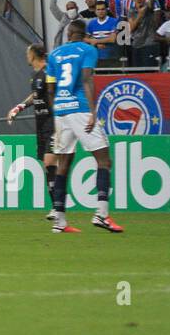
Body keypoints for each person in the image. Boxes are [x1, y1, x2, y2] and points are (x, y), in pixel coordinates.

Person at [47, 21, 123, 234]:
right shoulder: (88, 50)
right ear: (84, 34)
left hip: (61, 111)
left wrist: (58, 112)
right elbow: (87, 78)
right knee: (104, 160)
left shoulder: (54, 55)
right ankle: (101, 214)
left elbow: (50, 89)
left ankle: (60, 221)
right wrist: (92, 111)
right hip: (80, 109)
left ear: (69, 34)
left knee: (64, 163)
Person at [7, 43, 58, 220]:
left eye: (28, 53)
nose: (26, 56)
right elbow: (35, 96)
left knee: (50, 163)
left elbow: (55, 95)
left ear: (34, 55)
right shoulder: (34, 75)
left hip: (53, 125)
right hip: (41, 125)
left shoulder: (49, 72)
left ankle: (59, 208)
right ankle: (56, 207)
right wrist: (19, 107)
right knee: (47, 165)